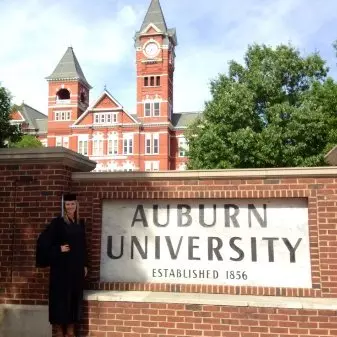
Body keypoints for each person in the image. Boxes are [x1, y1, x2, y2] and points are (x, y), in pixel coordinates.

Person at [47, 193, 88, 337]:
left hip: (76, 266)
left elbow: (83, 245)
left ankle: (70, 329)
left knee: (74, 296)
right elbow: (45, 243)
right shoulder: (57, 223)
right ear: (64, 206)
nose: (70, 207)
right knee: (60, 297)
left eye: (73, 204)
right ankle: (59, 330)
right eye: (68, 204)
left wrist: (84, 264)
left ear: (77, 205)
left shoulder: (80, 223)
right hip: (61, 267)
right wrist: (58, 249)